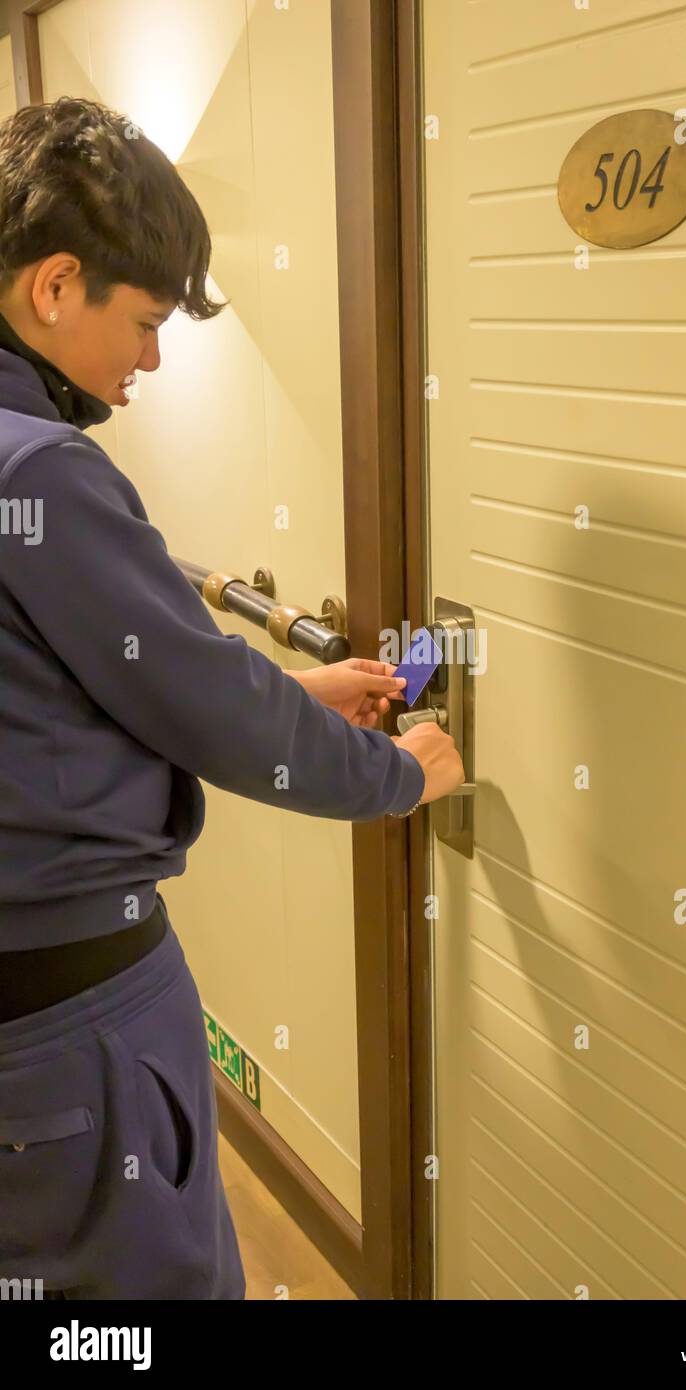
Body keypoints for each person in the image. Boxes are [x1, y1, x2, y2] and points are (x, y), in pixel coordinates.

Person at [0, 96, 464, 1300]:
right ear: (56, 286)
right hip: (64, 1023)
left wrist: (294, 681)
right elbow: (214, 718)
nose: (149, 359)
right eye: (145, 322)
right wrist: (407, 772)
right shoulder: (41, 472)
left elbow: (55, 693)